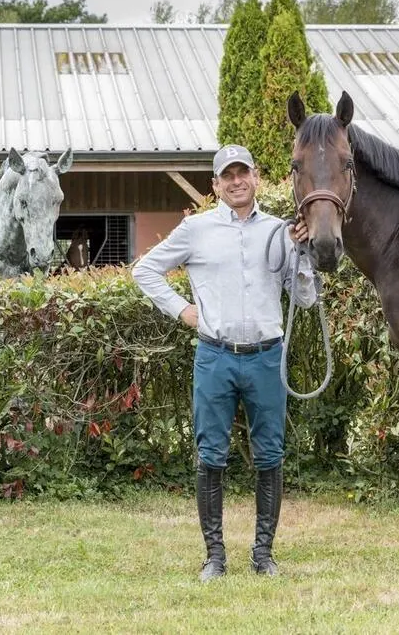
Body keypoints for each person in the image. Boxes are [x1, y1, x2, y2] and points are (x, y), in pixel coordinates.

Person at [132, 143, 320, 582]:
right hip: (214, 357)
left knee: (270, 455)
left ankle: (263, 554)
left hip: (266, 357)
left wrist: (305, 254)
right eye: (227, 175)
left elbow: (307, 300)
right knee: (210, 455)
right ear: (215, 185)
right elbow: (144, 270)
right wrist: (181, 310)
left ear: (256, 177)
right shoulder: (195, 230)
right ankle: (214, 556)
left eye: (243, 173)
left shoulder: (281, 231)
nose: (236, 181)